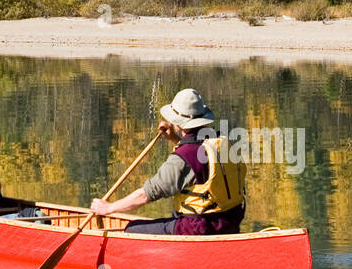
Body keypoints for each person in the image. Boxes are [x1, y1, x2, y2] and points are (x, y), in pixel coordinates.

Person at [89, 89, 245, 235]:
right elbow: (198, 159)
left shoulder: (182, 159)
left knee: (132, 229)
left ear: (177, 123)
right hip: (230, 223)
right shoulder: (222, 142)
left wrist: (109, 208)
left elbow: (145, 195)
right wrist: (175, 139)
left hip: (199, 229)